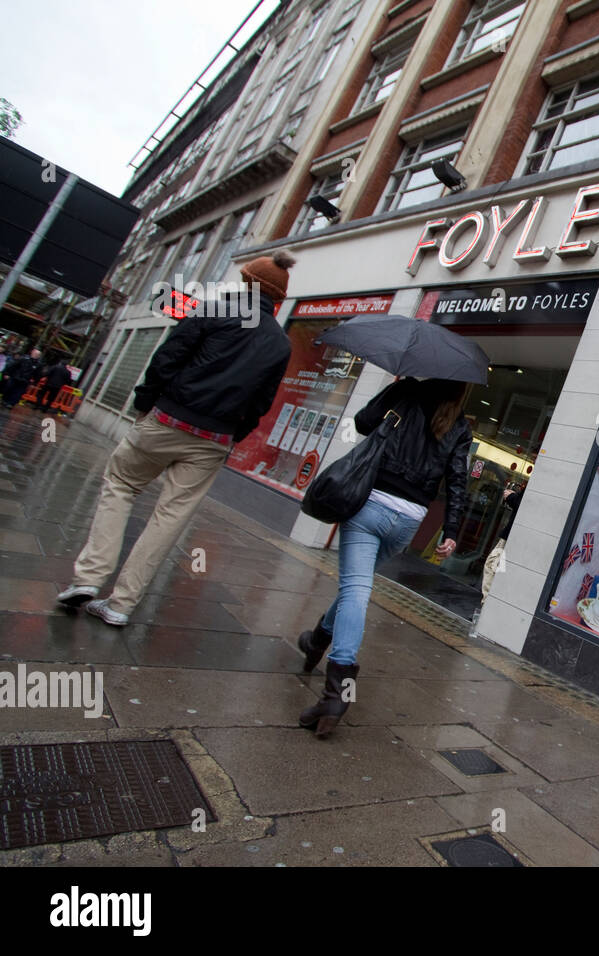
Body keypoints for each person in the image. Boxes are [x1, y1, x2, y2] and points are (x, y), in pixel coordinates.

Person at [58, 252, 296, 626]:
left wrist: (144, 403)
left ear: (246, 283)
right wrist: (233, 437)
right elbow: (262, 401)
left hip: (168, 419)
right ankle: (122, 604)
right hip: (213, 439)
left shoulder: (213, 311)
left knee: (120, 483)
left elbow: (167, 358)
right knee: (171, 516)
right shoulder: (281, 344)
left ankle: (88, 578)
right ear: (278, 299)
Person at [297, 376, 471, 738]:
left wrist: (396, 390)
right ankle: (316, 641)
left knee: (356, 589)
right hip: (409, 521)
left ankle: (337, 693)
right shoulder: (460, 424)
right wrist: (451, 531)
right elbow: (457, 480)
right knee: (354, 587)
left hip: (370, 506)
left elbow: (362, 422)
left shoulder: (407, 391)